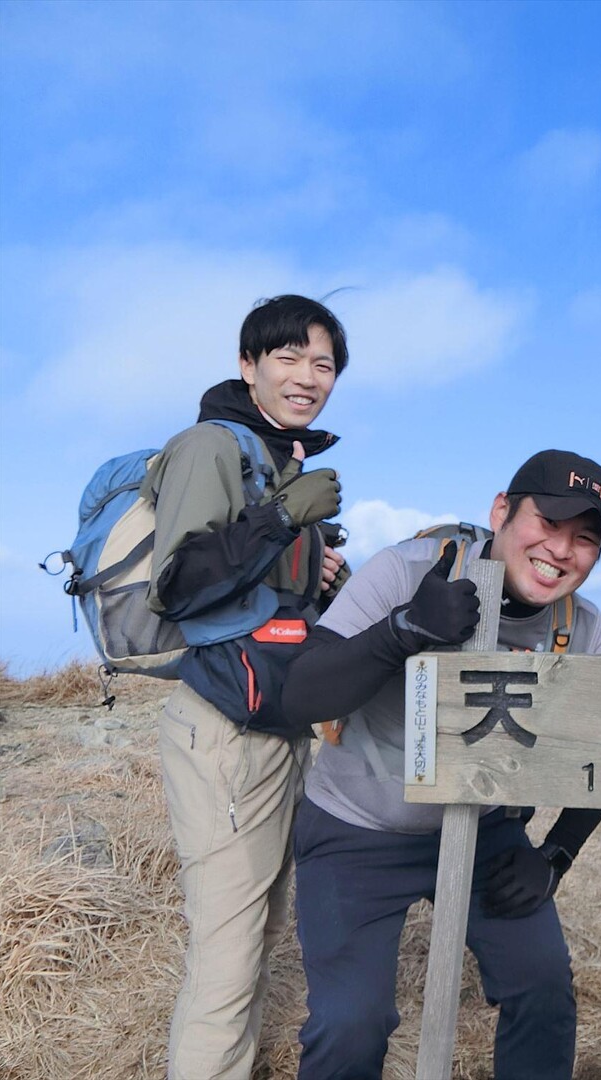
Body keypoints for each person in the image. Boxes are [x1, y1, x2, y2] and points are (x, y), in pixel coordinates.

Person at [281, 449, 601, 1080]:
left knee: (543, 989)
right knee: (350, 1023)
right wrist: (401, 629)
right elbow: (302, 693)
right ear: (501, 512)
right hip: (357, 824)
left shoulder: (583, 631)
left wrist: (556, 855)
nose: (560, 550)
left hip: (486, 832)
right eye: (547, 523)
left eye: (585, 539)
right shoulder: (404, 572)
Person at [144, 294, 348, 1079]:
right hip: (225, 735)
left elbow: (263, 599)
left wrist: (320, 571)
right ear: (248, 366)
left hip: (276, 729)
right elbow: (181, 583)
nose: (307, 376)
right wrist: (282, 518)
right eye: (288, 358)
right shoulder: (209, 446)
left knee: (256, 937)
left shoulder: (277, 458)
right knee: (226, 961)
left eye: (323, 364)